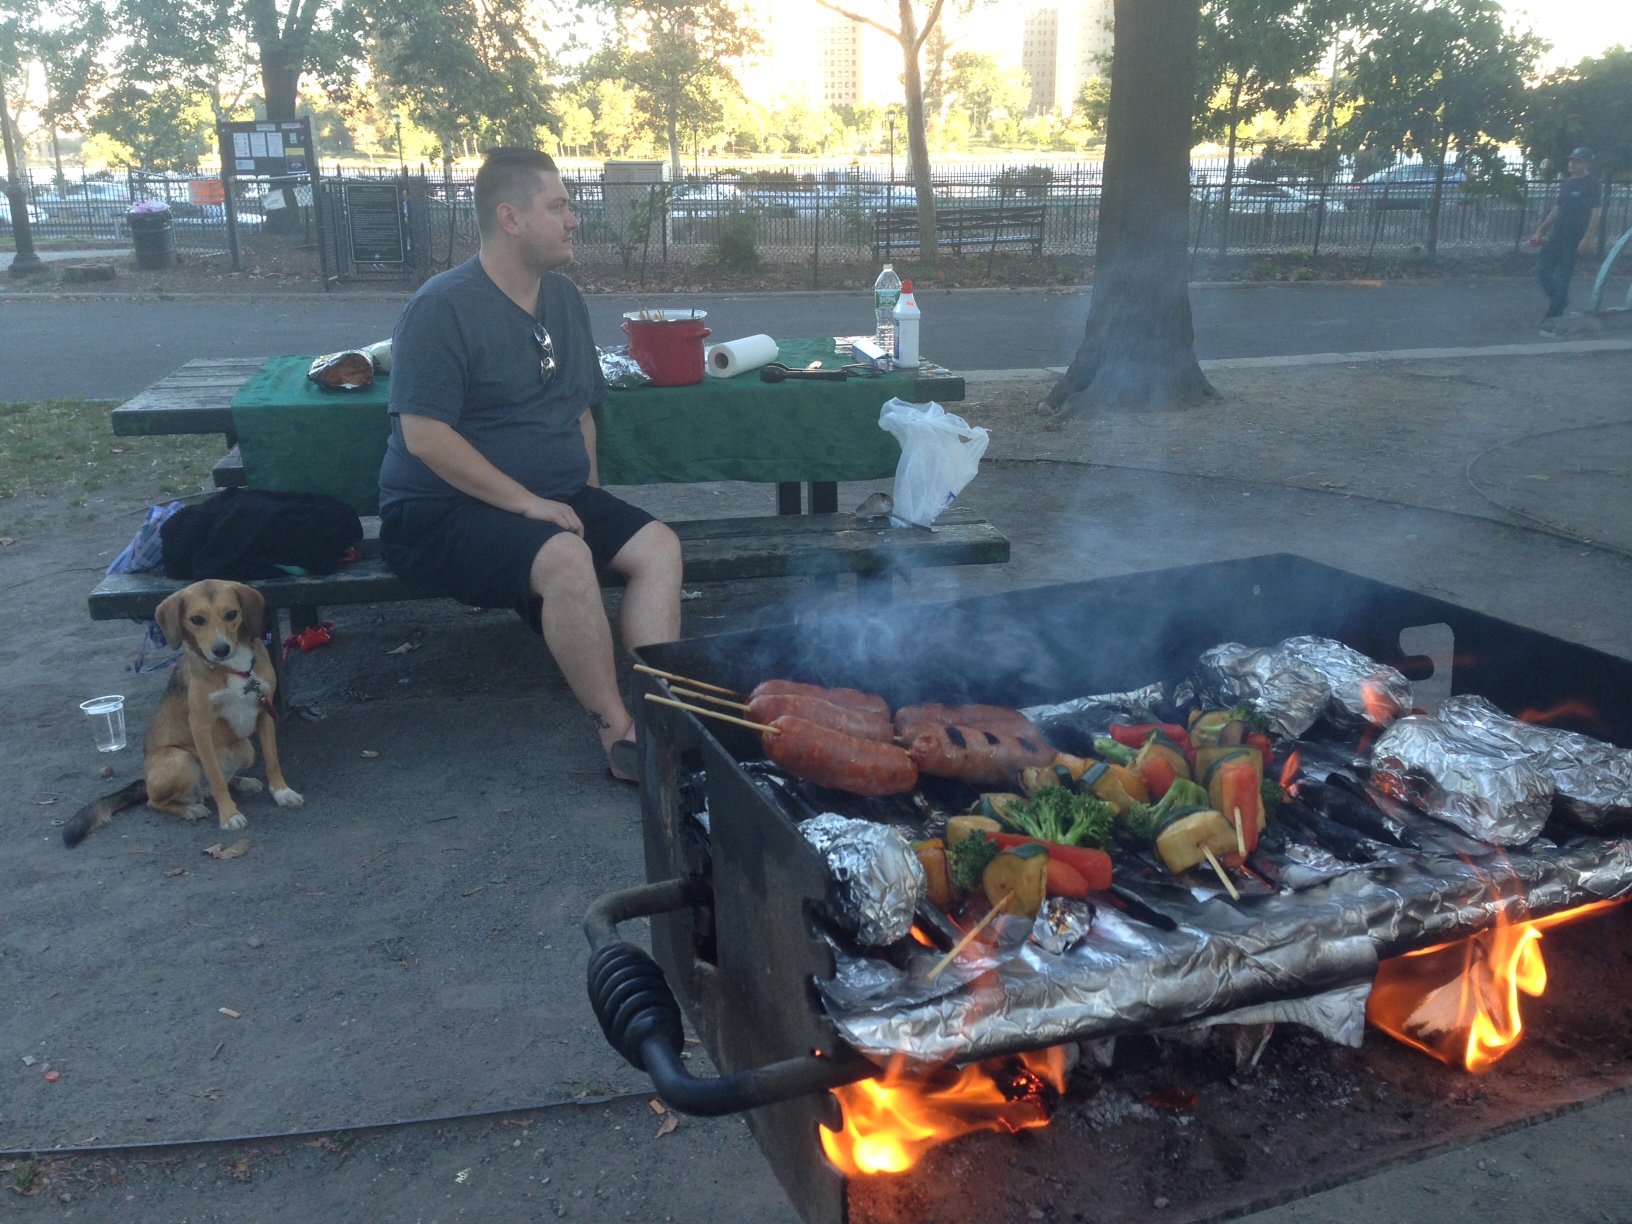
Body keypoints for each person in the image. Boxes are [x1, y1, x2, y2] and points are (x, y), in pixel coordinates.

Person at [378, 147, 682, 781]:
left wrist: (588, 499)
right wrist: (530, 506)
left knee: (658, 546)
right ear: (510, 218)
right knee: (566, 558)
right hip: (440, 514)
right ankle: (618, 735)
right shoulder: (442, 307)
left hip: (550, 501)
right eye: (560, 207)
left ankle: (664, 712)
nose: (574, 220)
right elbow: (425, 436)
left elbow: (580, 414)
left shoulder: (564, 298)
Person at [1530, 146, 1604, 326]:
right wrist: (1542, 229)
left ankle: (1555, 312)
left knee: (1564, 275)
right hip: (1557, 235)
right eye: (1571, 160)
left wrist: (1587, 238)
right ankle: (1560, 299)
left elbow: (1596, 212)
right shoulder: (1567, 183)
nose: (1572, 164)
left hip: (1574, 237)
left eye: (1577, 161)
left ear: (1586, 163)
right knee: (1541, 269)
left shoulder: (1592, 184)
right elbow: (1558, 208)